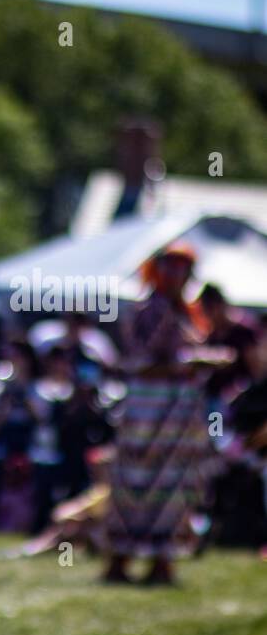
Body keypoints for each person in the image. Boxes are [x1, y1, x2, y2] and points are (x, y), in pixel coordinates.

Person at [102, 243, 223, 585]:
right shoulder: (149, 310)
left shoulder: (186, 312)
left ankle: (160, 561)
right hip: (147, 410)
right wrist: (192, 362)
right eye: (170, 267)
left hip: (177, 416)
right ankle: (120, 559)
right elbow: (143, 362)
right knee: (135, 481)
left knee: (171, 485)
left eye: (183, 268)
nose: (176, 276)